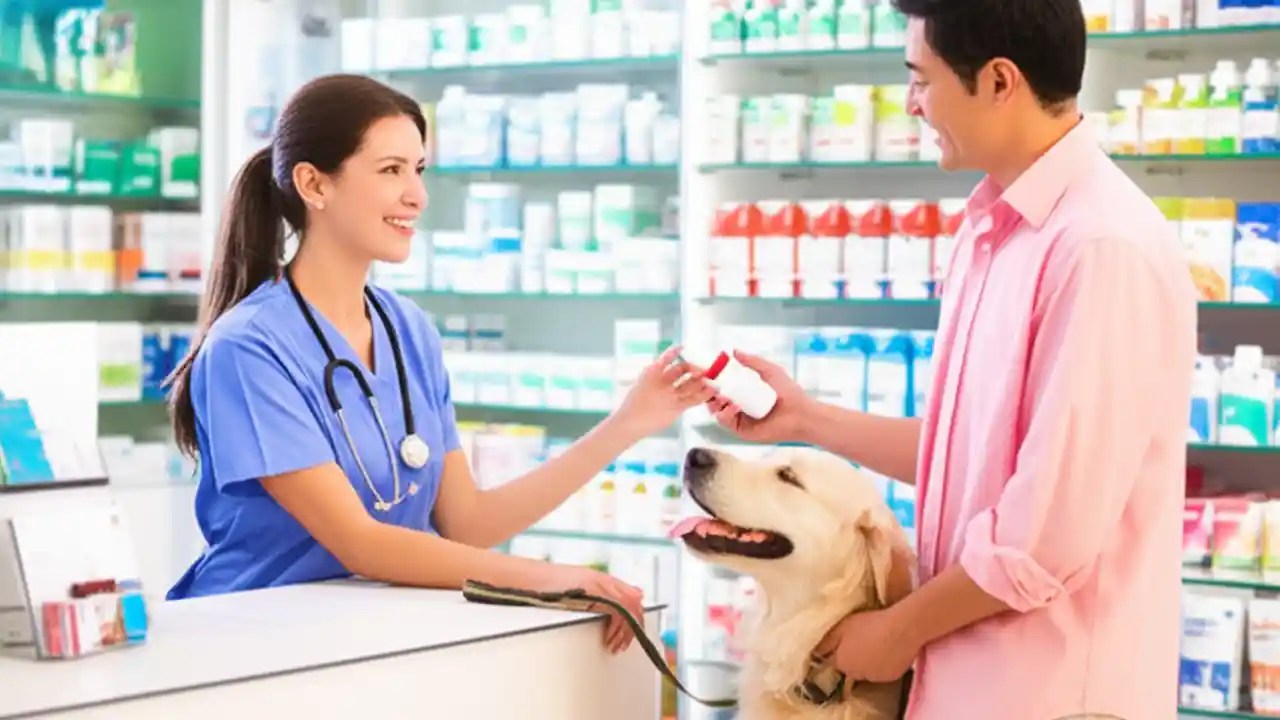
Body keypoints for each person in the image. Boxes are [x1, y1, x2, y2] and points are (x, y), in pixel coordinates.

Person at [706, 1, 1197, 717]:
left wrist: (894, 633)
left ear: (1000, 81)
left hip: (1054, 699)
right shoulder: (992, 231)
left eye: (921, 79)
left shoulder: (1100, 248)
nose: (911, 104)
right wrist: (805, 419)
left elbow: (1042, 540)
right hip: (967, 688)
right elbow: (966, 461)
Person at [163, 74, 712, 656]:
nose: (417, 196)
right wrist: (553, 578)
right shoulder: (250, 345)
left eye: (419, 170)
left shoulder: (407, 330)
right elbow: (361, 543)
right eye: (390, 170)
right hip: (250, 650)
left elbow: (468, 521)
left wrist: (629, 422)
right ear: (313, 184)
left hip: (371, 639)